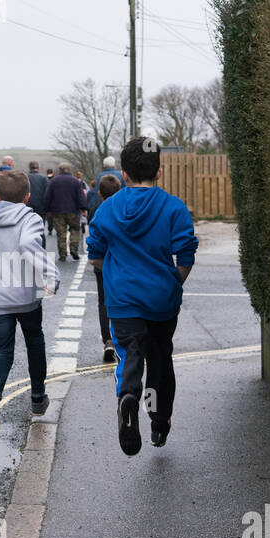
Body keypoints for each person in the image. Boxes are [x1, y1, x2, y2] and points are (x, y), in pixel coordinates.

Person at [86, 136, 198, 455]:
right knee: (160, 358)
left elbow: (95, 255)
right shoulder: (174, 207)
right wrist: (172, 282)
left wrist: (116, 277)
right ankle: (159, 423)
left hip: (122, 301)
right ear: (159, 172)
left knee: (131, 353)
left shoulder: (107, 209)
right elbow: (186, 255)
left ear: (124, 174)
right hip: (162, 300)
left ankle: (129, 397)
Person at [0, 170, 60, 439]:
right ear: (27, 196)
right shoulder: (30, 218)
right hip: (25, 298)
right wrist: (52, 276)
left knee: (3, 352)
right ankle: (37, 397)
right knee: (35, 342)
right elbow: (27, 245)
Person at [87, 173, 121, 364]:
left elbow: (91, 234)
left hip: (101, 261)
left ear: (99, 193)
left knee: (103, 301)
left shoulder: (95, 210)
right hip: (121, 261)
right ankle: (120, 338)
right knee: (122, 299)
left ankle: (108, 340)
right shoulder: (124, 208)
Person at [45, 162, 87, 261]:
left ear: (60, 170)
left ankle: (62, 253)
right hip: (73, 211)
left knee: (61, 233)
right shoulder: (75, 181)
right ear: (70, 170)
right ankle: (74, 249)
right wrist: (84, 208)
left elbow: (48, 196)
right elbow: (80, 196)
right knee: (75, 230)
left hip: (58, 211)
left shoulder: (54, 181)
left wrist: (47, 209)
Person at [25, 160, 48, 248]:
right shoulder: (43, 178)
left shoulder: (25, 177)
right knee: (40, 229)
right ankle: (42, 249)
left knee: (27, 229)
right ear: (38, 167)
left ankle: (29, 248)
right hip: (41, 208)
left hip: (27, 208)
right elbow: (47, 194)